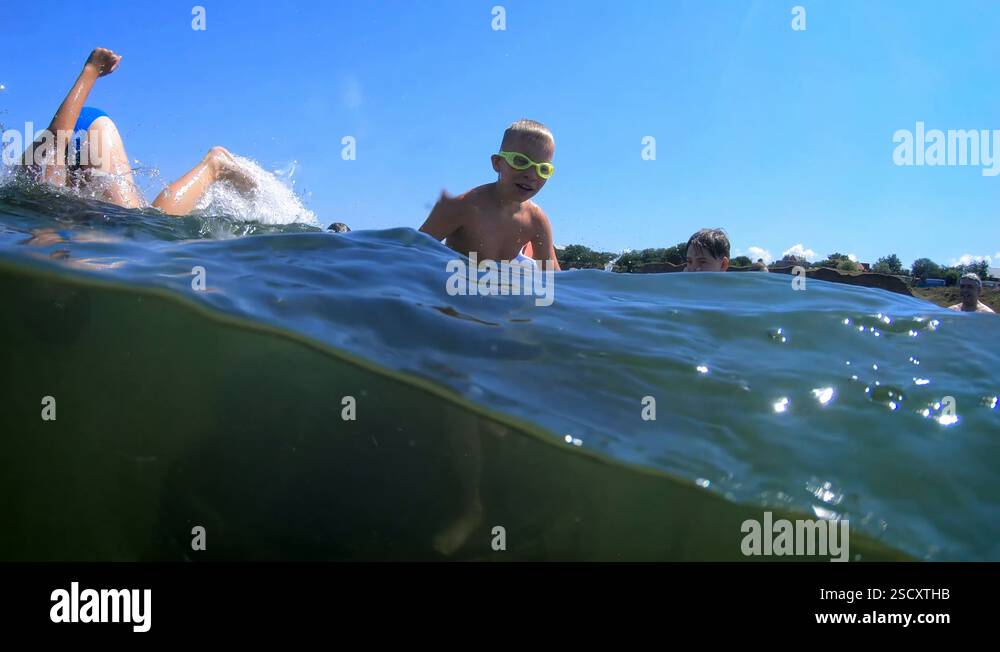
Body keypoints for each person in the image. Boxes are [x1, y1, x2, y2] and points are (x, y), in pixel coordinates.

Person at [18, 47, 254, 216]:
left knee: (134, 219)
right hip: (57, 171)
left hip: (87, 128)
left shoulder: (39, 184)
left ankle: (213, 167)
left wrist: (91, 70)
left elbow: (59, 138)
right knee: (115, 222)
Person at [418, 119, 560, 270]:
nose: (532, 175)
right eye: (520, 161)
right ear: (497, 163)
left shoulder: (536, 220)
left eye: (543, 169)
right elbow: (410, 253)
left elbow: (556, 279)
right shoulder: (461, 207)